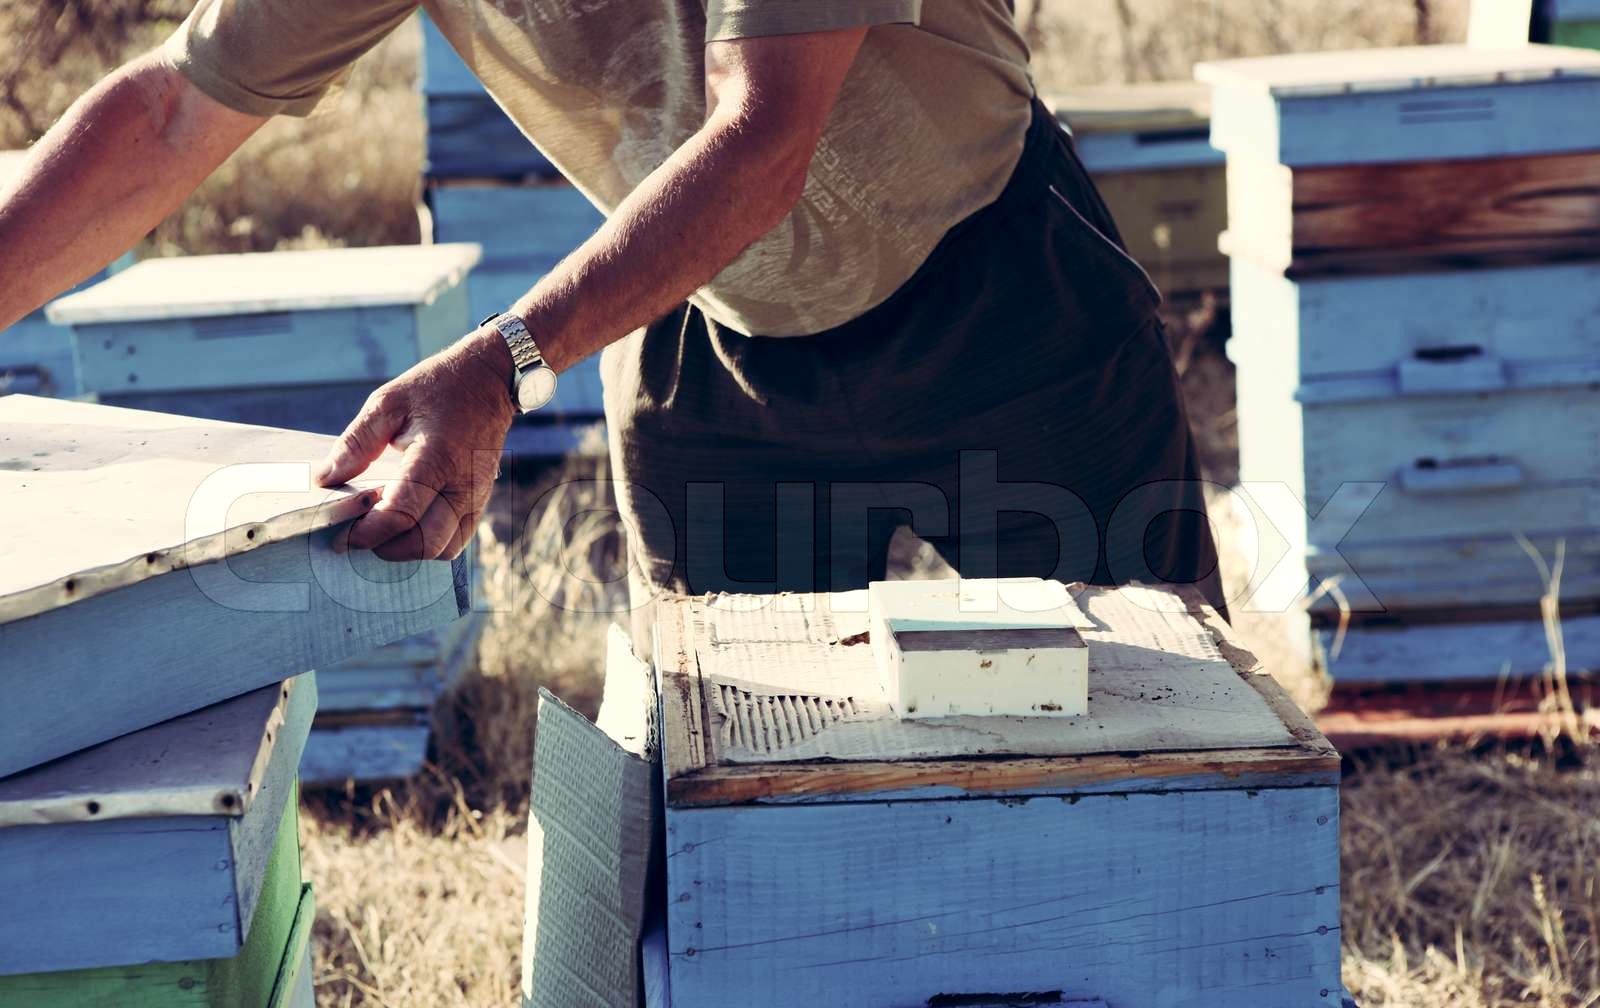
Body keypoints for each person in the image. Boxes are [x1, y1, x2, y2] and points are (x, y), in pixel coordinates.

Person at [0, 1, 1224, 616]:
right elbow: (173, 109)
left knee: (1161, 740)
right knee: (738, 796)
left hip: (1002, 303)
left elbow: (759, 143)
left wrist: (500, 362)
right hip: (699, 334)